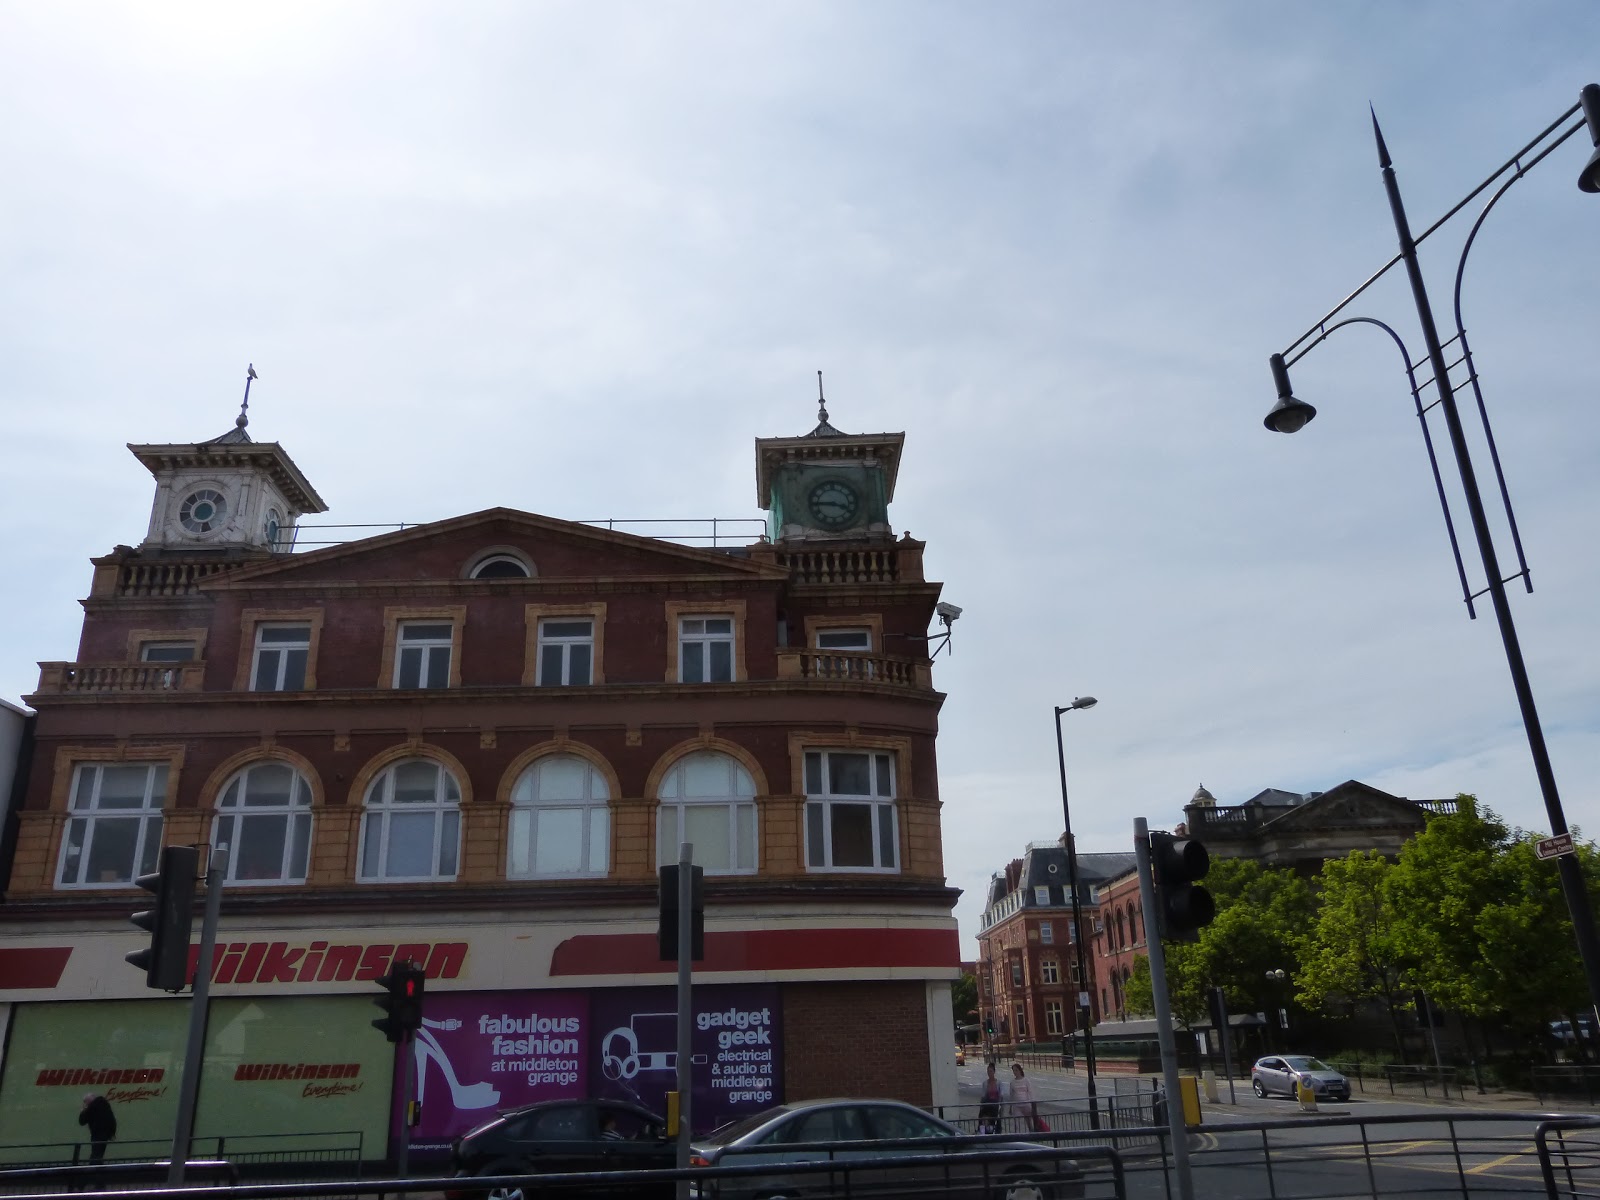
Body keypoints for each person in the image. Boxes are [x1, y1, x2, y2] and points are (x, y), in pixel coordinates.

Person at [79, 1093, 116, 1164]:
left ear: (88, 1100)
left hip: (97, 1133)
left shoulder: (92, 1107)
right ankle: (98, 1168)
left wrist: (82, 1111)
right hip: (105, 1133)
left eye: (85, 1102)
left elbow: (82, 1121)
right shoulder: (104, 1104)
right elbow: (111, 1119)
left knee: (96, 1153)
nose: (85, 1104)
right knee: (99, 1153)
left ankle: (94, 1170)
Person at [1009, 1063, 1046, 1133]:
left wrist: (1032, 1103)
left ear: (1020, 1070)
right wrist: (1010, 1107)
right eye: (1013, 1071)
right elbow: (1011, 1095)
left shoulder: (1026, 1081)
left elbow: (1030, 1092)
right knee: (1016, 1122)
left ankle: (1032, 1132)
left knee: (1028, 1120)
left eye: (1016, 1070)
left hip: (1026, 1104)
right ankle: (1017, 1135)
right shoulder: (1012, 1082)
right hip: (1017, 1105)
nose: (1015, 1072)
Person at [978, 1061, 1004, 1134]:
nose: (989, 1073)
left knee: (995, 1119)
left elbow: (1001, 1094)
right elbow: (983, 1095)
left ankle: (997, 1132)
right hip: (987, 1104)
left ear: (994, 1072)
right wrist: (981, 1105)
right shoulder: (985, 1083)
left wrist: (1000, 1104)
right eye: (988, 1071)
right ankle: (983, 1132)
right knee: (983, 1119)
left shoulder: (999, 1083)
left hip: (995, 1104)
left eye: (991, 1071)